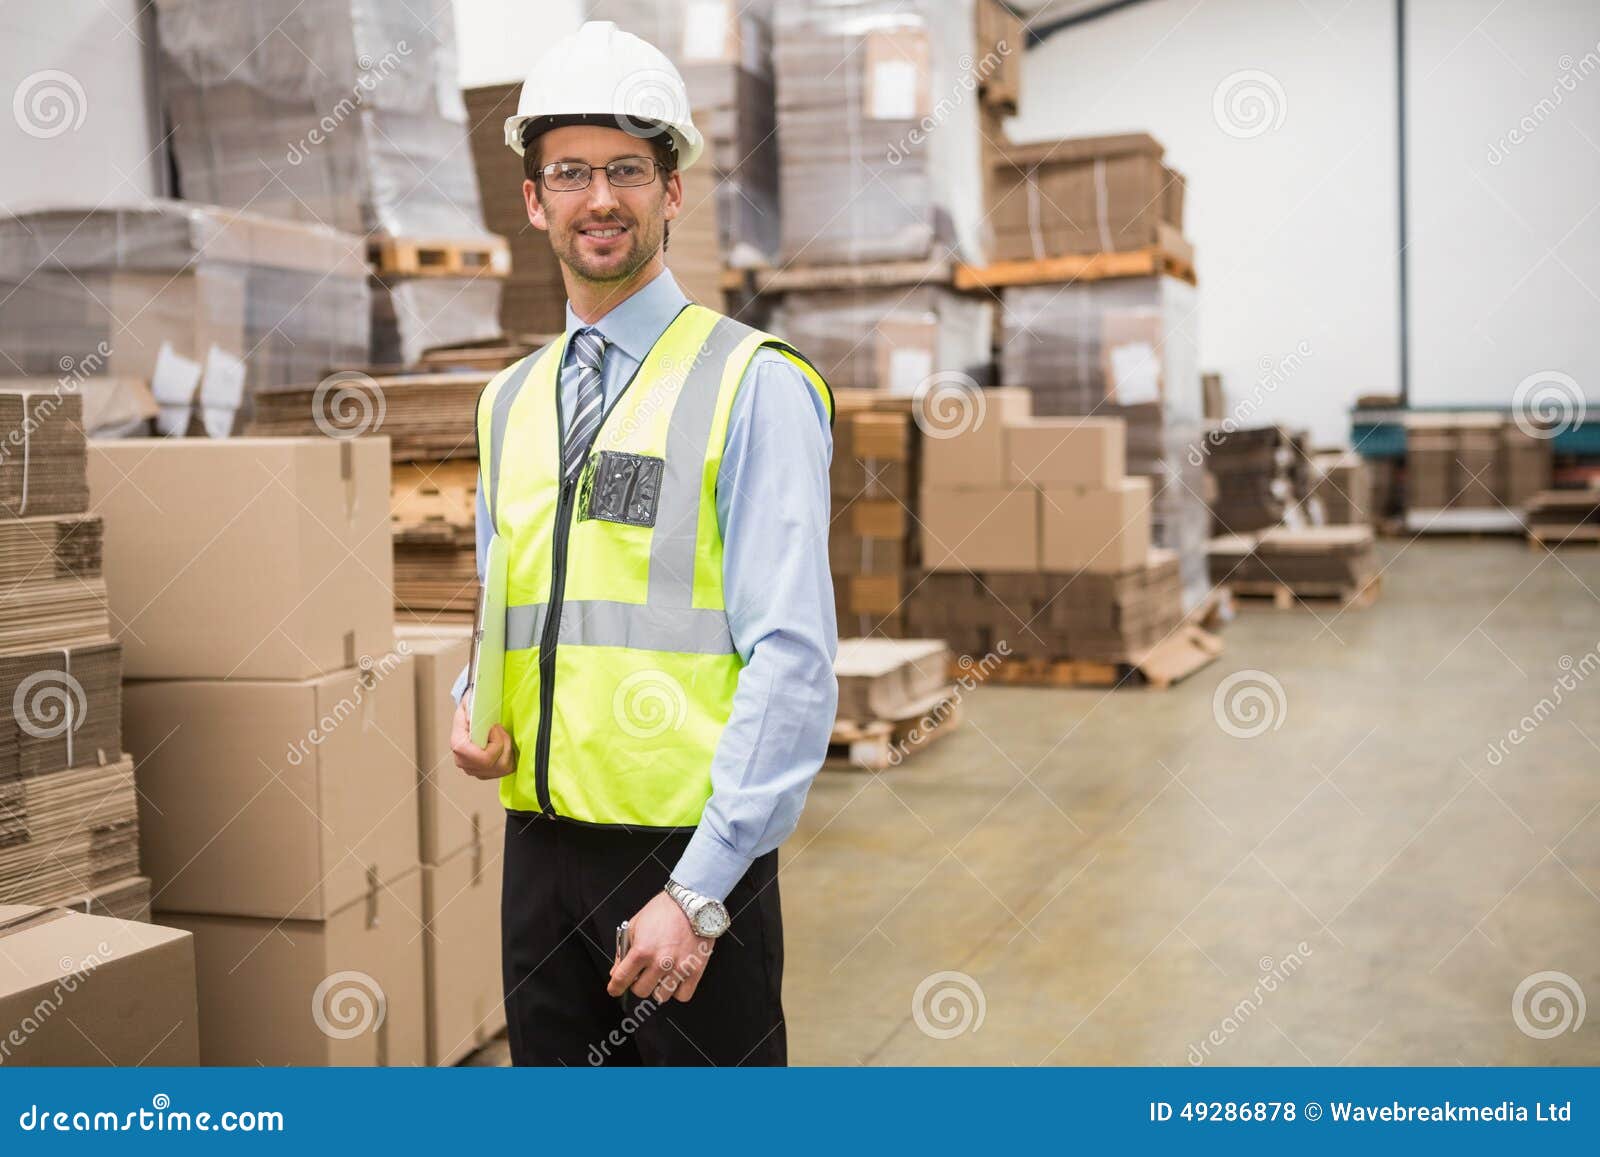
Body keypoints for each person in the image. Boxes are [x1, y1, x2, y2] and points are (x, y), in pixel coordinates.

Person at [448, 21, 836, 1067]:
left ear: (674, 189)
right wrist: (469, 708)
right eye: (569, 171)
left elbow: (793, 659)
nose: (599, 197)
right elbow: (504, 593)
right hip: (539, 851)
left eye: (627, 168)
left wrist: (701, 890)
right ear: (533, 200)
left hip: (682, 858)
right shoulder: (508, 399)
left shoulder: (751, 382)